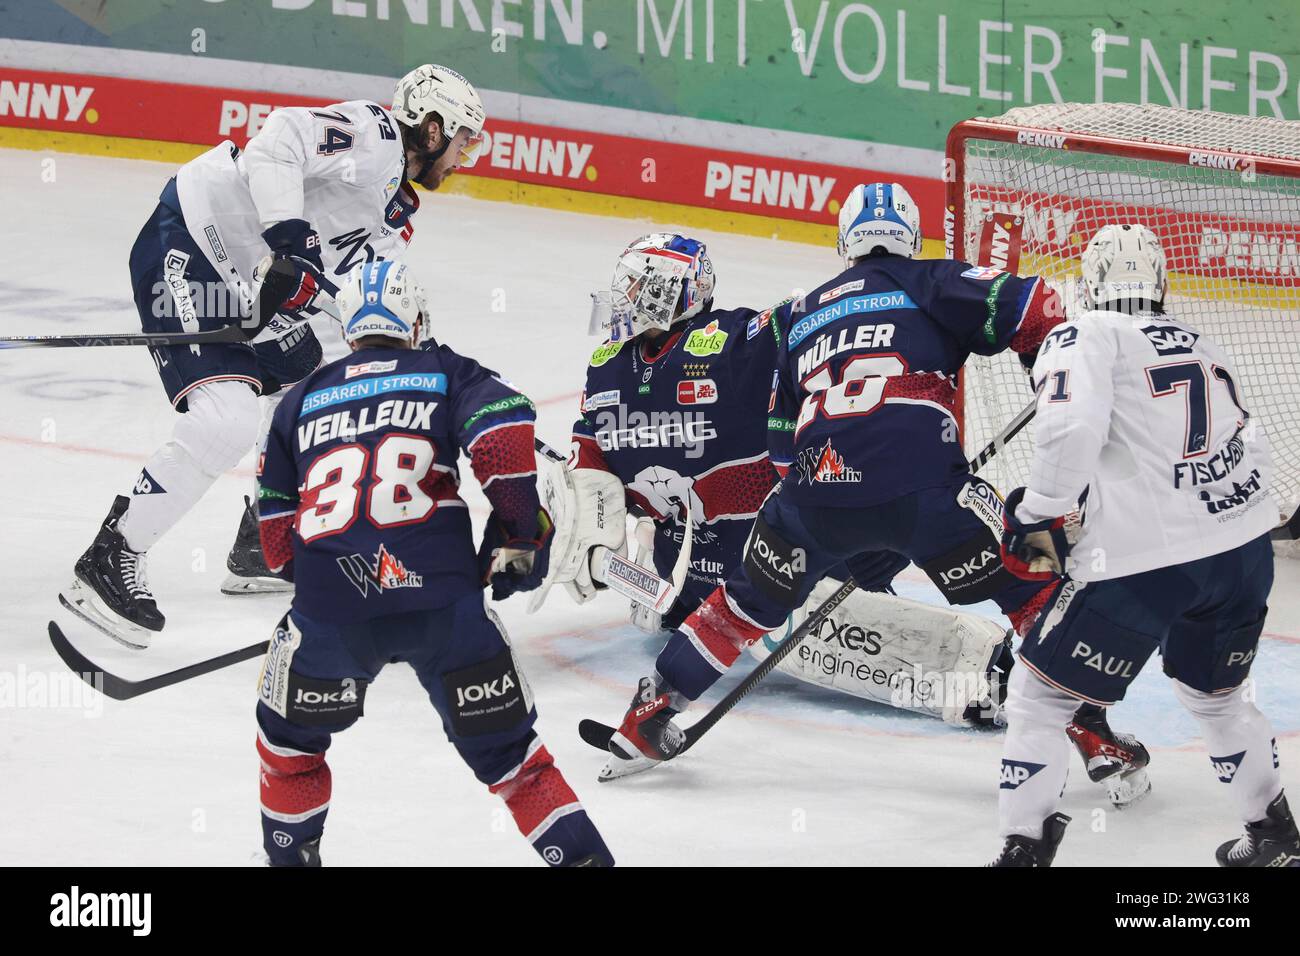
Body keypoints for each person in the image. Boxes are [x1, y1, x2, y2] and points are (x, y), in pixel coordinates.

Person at [594, 182, 1125, 784]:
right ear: (910, 236)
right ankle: (1090, 729)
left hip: (810, 498)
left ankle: (651, 709)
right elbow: (1040, 309)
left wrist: (837, 516)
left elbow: (778, 430)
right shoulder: (933, 281)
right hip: (927, 496)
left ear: (845, 242)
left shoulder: (804, 311)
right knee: (1031, 589)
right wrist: (1050, 380)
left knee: (738, 607)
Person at [63, 64, 485, 646]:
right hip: (194, 239)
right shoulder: (374, 133)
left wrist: (423, 363)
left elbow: (360, 308)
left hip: (247, 284)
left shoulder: (394, 216)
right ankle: (110, 556)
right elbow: (280, 138)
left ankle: (260, 539)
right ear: (433, 130)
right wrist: (290, 239)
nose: (470, 155)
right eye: (465, 138)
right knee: (225, 420)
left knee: (322, 388)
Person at [252, 259, 613, 867]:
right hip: (446, 615)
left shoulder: (300, 401)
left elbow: (277, 548)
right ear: (416, 320)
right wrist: (519, 532)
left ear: (347, 329)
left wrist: (339, 590)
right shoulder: (444, 370)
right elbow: (502, 431)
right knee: (516, 765)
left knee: (288, 747)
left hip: (331, 618)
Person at [989, 224, 1296, 867]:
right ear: (1159, 283)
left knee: (1039, 697)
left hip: (1152, 562)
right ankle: (1274, 839)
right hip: (1244, 549)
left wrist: (1036, 516)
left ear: (1090, 284)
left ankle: (1025, 850)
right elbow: (1254, 446)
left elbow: (1071, 428)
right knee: (1218, 699)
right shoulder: (1204, 345)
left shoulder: (1082, 333)